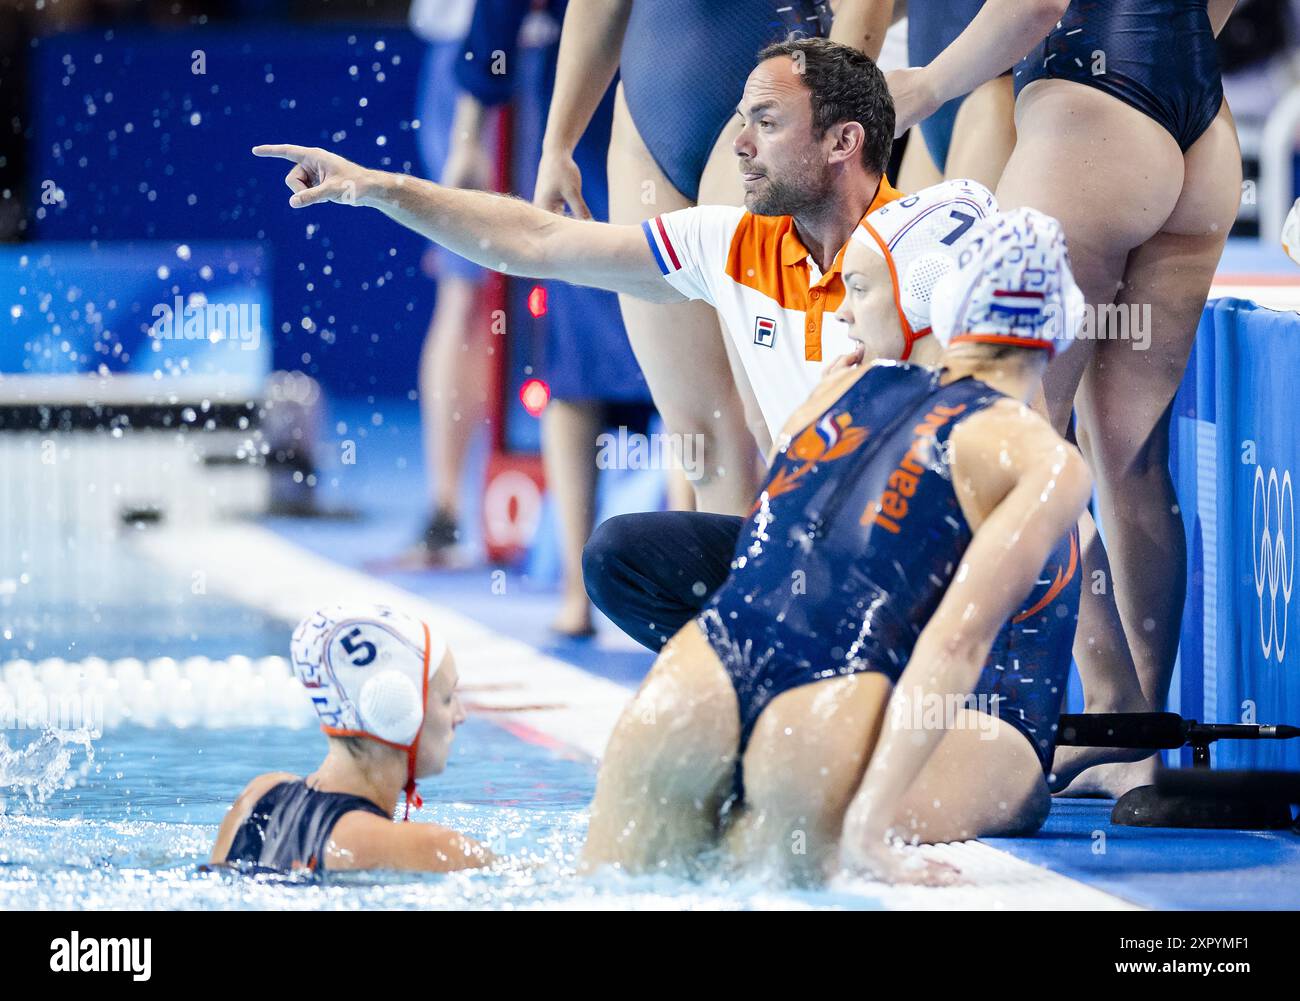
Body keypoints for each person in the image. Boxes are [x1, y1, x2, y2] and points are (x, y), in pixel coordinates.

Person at [583, 208, 1093, 885]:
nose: (843, 312)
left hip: (692, 680)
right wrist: (868, 827)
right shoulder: (1041, 458)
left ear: (939, 308)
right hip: (834, 716)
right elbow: (954, 644)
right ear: (1061, 328)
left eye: (857, 291)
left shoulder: (837, 393)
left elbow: (774, 557)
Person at [253, 37, 903, 481]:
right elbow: (540, 241)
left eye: (765, 122)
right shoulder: (732, 241)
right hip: (803, 534)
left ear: (843, 139)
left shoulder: (928, 243)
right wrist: (378, 188)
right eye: (742, 120)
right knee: (630, 556)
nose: (738, 145)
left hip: (903, 531)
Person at [888, 0, 1243, 796]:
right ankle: (1145, 741)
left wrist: (927, 87)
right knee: (1129, 450)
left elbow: (1038, 4)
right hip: (1201, 121)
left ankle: (1113, 702)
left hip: (1088, 111)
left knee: (1010, 432)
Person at [536, 13, 906, 511]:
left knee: (776, 423)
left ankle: (796, 576)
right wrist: (558, 141)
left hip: (780, 115)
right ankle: (722, 586)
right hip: (645, 126)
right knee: (695, 436)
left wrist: (817, 125)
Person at [210, 604, 492, 874]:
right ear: (396, 707)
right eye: (447, 698)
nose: (461, 714)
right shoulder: (430, 847)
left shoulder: (259, 797)